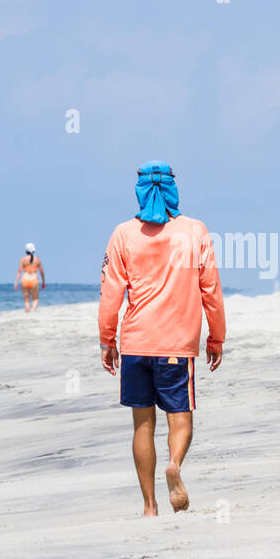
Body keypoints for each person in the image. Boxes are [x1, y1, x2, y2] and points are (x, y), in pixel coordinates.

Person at [99, 161, 226, 517]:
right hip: (176, 345)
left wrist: (107, 339)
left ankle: (149, 506)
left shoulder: (123, 233)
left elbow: (110, 293)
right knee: (180, 418)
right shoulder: (194, 231)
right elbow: (211, 290)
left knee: (142, 424)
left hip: (136, 343)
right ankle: (174, 464)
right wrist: (216, 337)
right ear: (173, 188)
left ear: (139, 190)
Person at [15, 244, 45, 312]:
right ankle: (33, 311)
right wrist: (43, 282)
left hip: (25, 279)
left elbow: (19, 271)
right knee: (35, 299)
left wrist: (16, 282)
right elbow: (41, 272)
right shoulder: (37, 259)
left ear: (26, 251)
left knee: (26, 300)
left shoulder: (23, 259)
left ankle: (28, 313)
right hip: (34, 280)